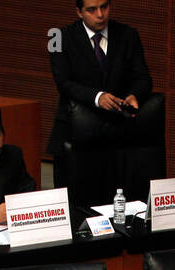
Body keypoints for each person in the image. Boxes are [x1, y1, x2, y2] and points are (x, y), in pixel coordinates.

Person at [47, 0, 152, 159]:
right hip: (75, 131)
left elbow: (143, 78)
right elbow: (63, 83)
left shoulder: (129, 35)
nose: (100, 14)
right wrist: (97, 97)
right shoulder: (58, 37)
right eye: (92, 10)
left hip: (119, 131)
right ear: (79, 12)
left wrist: (134, 95)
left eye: (104, 7)